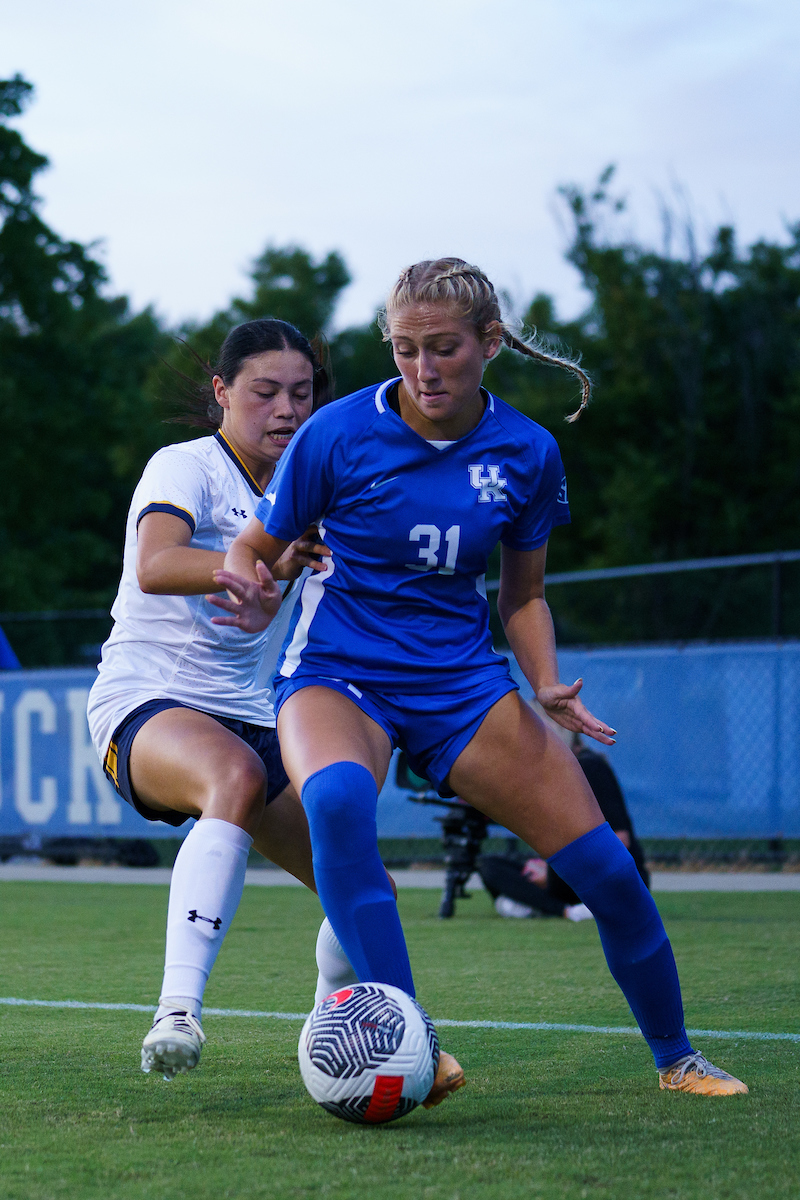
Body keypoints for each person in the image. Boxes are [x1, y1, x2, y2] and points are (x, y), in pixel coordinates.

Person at [212, 260, 748, 1097]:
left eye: (444, 348)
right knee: (338, 804)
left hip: (462, 683)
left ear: (490, 342)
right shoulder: (335, 434)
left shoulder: (528, 451)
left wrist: (545, 681)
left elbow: (523, 596)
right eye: (404, 349)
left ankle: (678, 1059)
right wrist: (252, 586)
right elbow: (257, 546)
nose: (423, 369)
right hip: (337, 672)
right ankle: (413, 1045)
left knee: (606, 870)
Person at [87, 318, 358, 1082]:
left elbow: (267, 617)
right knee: (234, 776)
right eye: (266, 392)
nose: (287, 409)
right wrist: (253, 565)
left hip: (250, 715)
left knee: (362, 887)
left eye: (301, 393)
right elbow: (156, 564)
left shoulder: (309, 494)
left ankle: (336, 1035)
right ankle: (176, 1012)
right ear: (222, 393)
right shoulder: (186, 465)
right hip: (146, 700)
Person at [479, 714, 649, 919]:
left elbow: (620, 841)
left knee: (540, 879)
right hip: (569, 871)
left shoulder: (591, 767)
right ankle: (565, 909)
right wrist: (547, 868)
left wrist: (556, 871)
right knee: (490, 866)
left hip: (609, 874)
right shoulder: (553, 774)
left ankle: (558, 909)